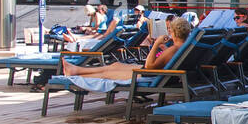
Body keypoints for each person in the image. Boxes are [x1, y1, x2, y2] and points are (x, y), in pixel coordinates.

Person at [59, 17, 191, 79]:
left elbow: (149, 66)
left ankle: (76, 73)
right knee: (115, 65)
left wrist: (156, 45)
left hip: (148, 75)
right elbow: (165, 60)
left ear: (173, 32)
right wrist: (161, 46)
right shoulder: (185, 47)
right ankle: (76, 70)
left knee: (108, 73)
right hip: (162, 74)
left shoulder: (173, 49)